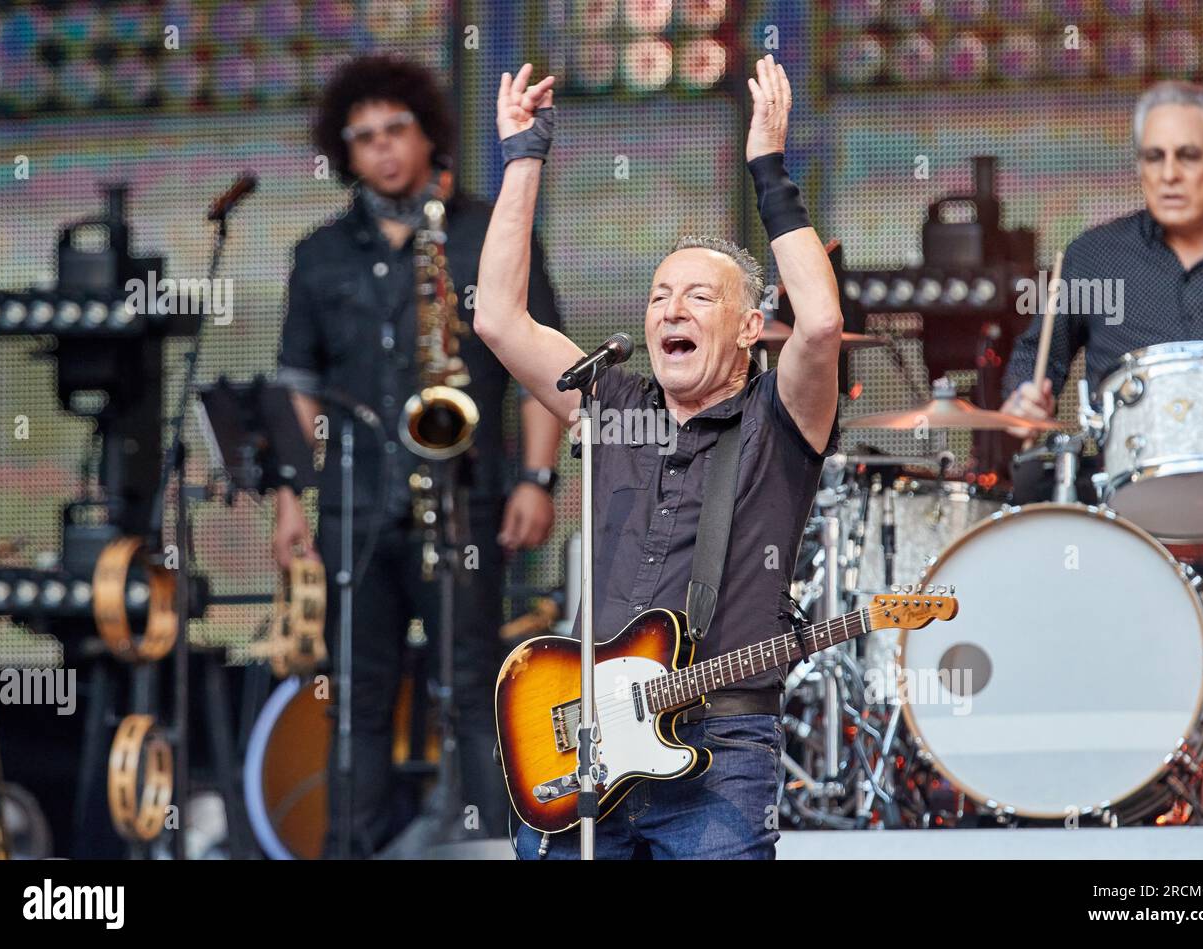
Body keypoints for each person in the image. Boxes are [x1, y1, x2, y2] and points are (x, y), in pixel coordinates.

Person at [474, 56, 843, 859]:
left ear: (749, 329)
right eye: (658, 296)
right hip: (581, 744)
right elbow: (500, 319)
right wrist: (523, 160)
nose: (671, 308)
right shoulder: (612, 404)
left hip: (722, 745)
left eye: (700, 297)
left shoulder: (780, 421)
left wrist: (769, 170)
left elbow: (817, 327)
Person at [272, 55, 565, 856]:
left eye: (395, 128)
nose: (384, 149)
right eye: (363, 138)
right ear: (345, 151)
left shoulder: (490, 230)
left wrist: (538, 479)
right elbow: (298, 384)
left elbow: (540, 367)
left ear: (427, 129)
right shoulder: (319, 253)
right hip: (356, 506)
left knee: (475, 690)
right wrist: (294, 496)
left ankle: (495, 851)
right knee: (359, 697)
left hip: (468, 495)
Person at [1002, 80, 1203, 457]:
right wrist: (1024, 396)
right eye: (1154, 156)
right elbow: (1037, 357)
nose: (1169, 175)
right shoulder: (1094, 258)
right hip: (1126, 496)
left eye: (1188, 155)